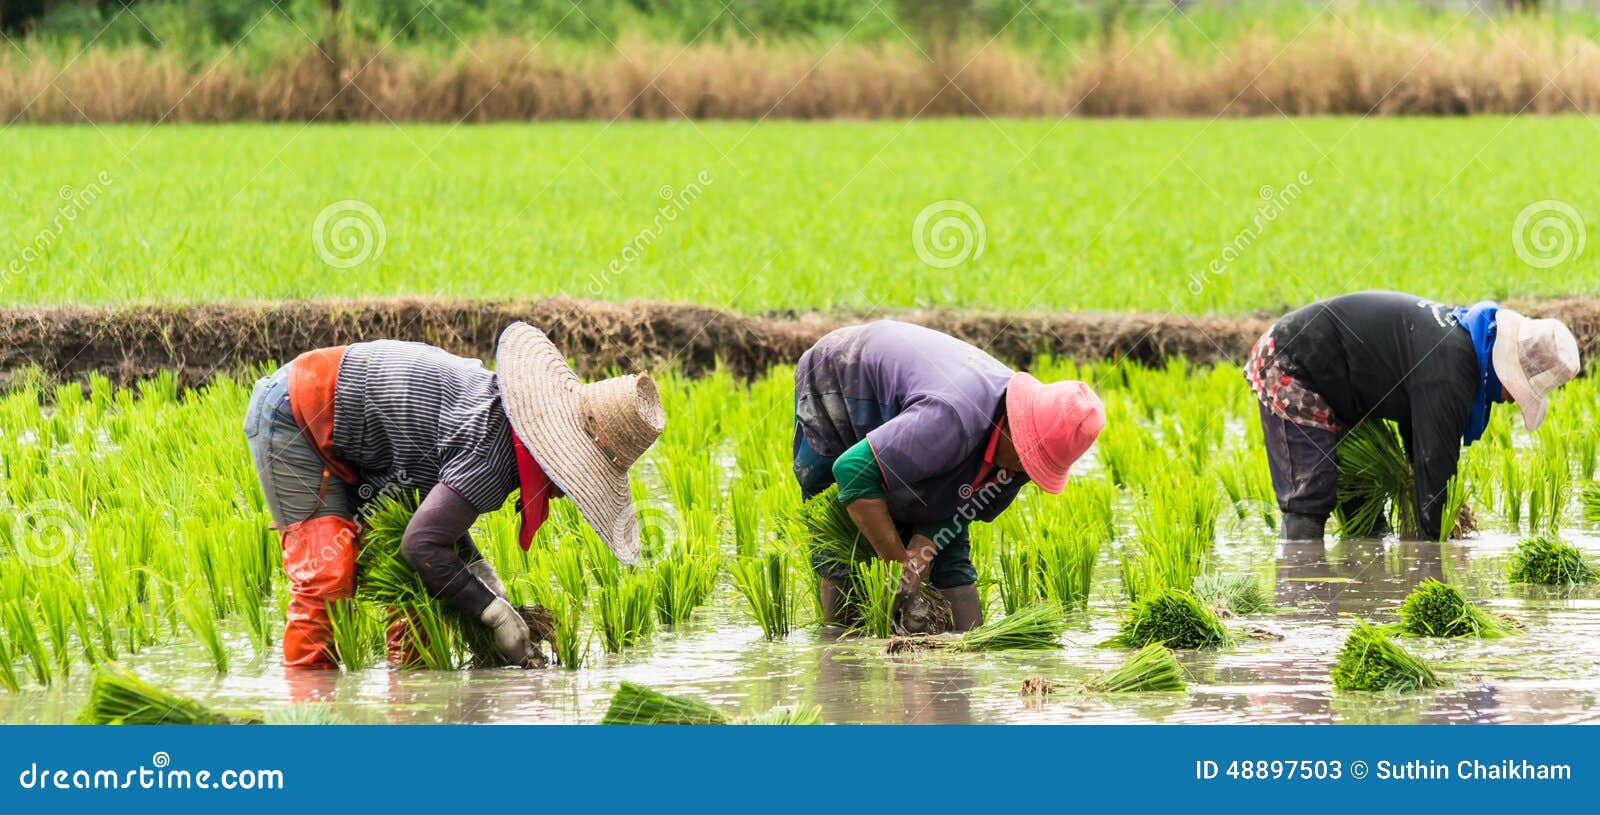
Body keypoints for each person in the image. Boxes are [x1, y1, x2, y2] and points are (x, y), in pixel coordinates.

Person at [243, 322, 665, 669]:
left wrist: (480, 572)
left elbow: (436, 523)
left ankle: (412, 707)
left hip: (374, 448)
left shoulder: (506, 429)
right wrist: (495, 613)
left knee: (418, 598)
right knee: (327, 578)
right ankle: (307, 717)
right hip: (298, 414)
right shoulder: (495, 453)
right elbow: (422, 542)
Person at [793, 320, 1106, 632]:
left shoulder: (1014, 462)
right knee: (839, 542)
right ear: (1013, 427)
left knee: (948, 554)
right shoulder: (950, 418)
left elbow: (957, 510)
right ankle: (838, 653)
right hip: (841, 374)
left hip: (926, 411)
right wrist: (897, 565)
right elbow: (852, 471)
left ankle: (963, 656)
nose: (1023, 472)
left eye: (1038, 465)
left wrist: (919, 552)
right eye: (1029, 458)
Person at [1247, 291, 1579, 542]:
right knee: (1309, 497)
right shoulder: (1451, 368)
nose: (1510, 400)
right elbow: (1436, 467)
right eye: (1518, 389)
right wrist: (1435, 551)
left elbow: (1418, 439)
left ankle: (1360, 599)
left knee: (1367, 515)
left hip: (1344, 386)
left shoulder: (1460, 342)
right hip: (1292, 362)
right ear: (1505, 368)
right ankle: (1300, 606)